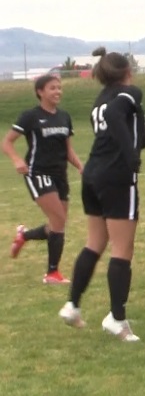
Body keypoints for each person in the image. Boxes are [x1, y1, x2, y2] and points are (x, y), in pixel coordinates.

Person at [58, 47, 145, 342]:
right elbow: (115, 117)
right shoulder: (129, 92)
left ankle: (72, 305)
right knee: (122, 249)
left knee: (95, 243)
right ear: (128, 71)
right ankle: (117, 319)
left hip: (93, 174)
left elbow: (111, 130)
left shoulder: (100, 99)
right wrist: (131, 155)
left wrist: (139, 140)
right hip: (116, 177)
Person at [5, 74, 84, 284]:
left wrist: (80, 166)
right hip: (38, 173)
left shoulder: (64, 117)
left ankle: (24, 236)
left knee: (57, 223)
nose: (58, 91)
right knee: (59, 221)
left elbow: (68, 150)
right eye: (52, 88)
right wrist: (16, 160)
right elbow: (7, 142)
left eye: (59, 88)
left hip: (60, 175)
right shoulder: (30, 116)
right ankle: (52, 274)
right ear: (40, 92)